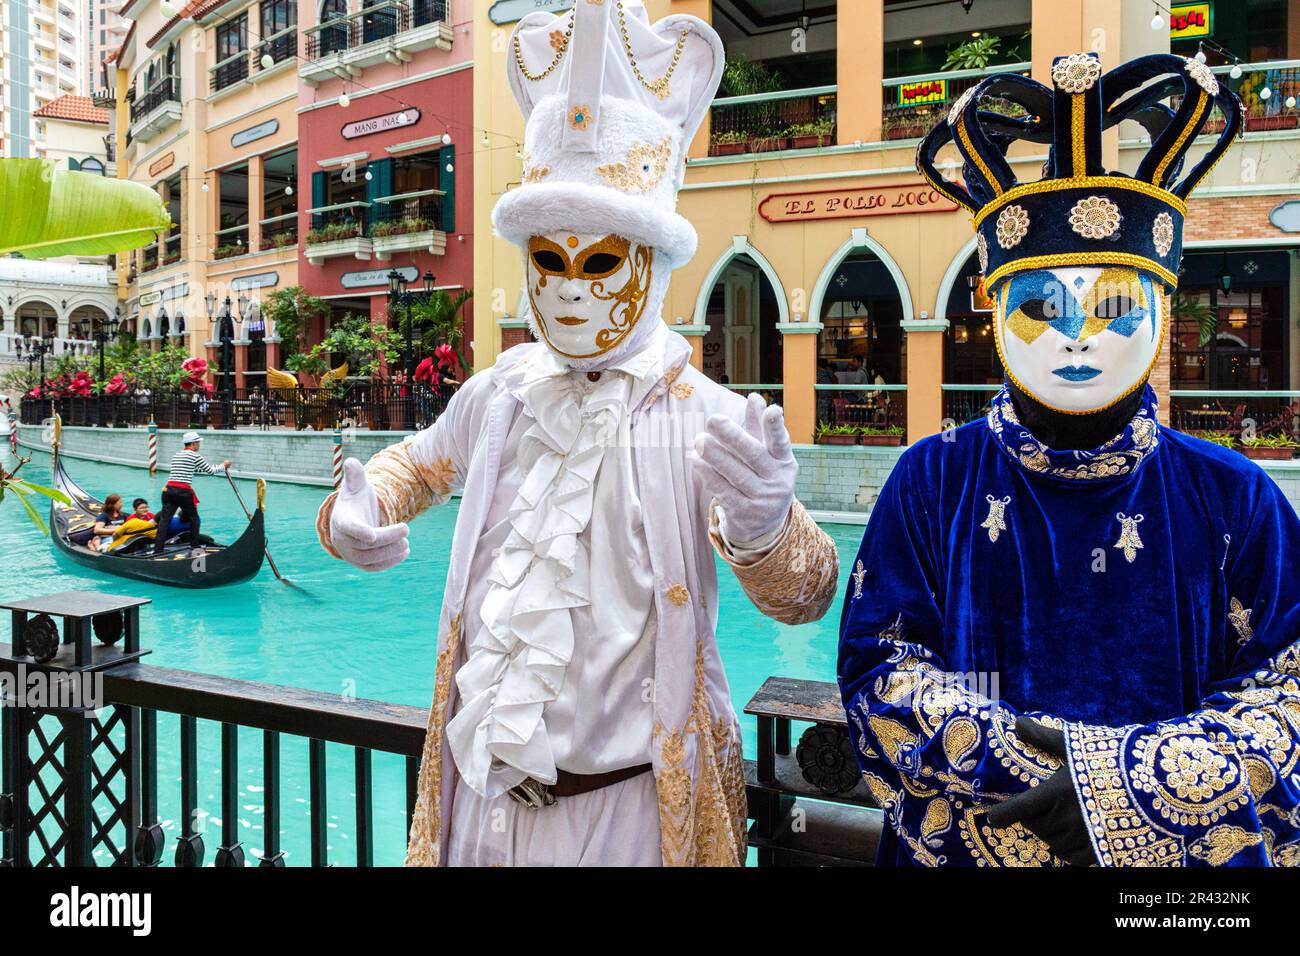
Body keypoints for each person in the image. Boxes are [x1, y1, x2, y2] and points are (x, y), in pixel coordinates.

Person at [317, 1, 839, 868]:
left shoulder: (706, 414)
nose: (567, 289)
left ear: (651, 261)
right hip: (477, 811)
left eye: (599, 263)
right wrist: (354, 514)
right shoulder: (497, 395)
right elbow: (413, 469)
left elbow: (809, 594)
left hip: (627, 819)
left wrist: (767, 531)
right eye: (547, 261)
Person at [840, 53, 1300, 868]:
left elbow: (1285, 690)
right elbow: (884, 665)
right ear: (996, 303)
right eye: (1041, 307)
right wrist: (1022, 763)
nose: (1077, 334)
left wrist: (1124, 791)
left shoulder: (1237, 499)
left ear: (1162, 303)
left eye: (1114, 304)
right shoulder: (932, 481)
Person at [151, 431, 232, 555]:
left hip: (168, 490)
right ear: (194, 444)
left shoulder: (177, 455)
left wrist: (219, 466)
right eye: (198, 442)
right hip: (183, 492)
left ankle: (158, 550)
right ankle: (195, 546)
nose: (199, 445)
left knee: (164, 521)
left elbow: (194, 468)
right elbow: (210, 471)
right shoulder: (195, 456)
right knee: (194, 519)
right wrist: (224, 465)